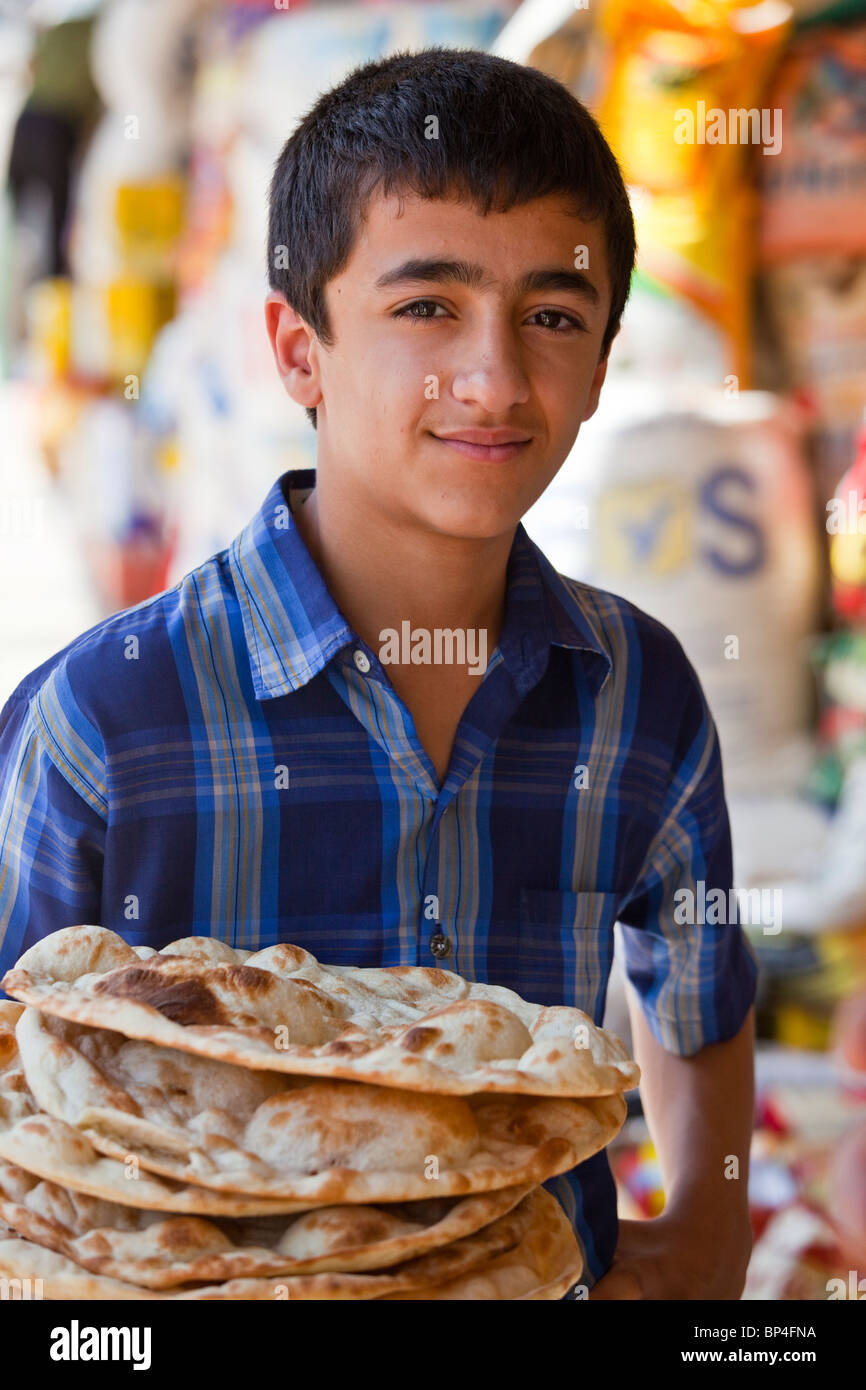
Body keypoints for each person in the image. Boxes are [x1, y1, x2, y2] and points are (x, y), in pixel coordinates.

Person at [0, 48, 758, 1298]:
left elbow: (698, 993)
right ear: (299, 352)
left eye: (553, 317)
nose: (496, 380)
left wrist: (707, 1238)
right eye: (426, 308)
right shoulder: (103, 724)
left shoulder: (638, 694)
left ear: (603, 359)